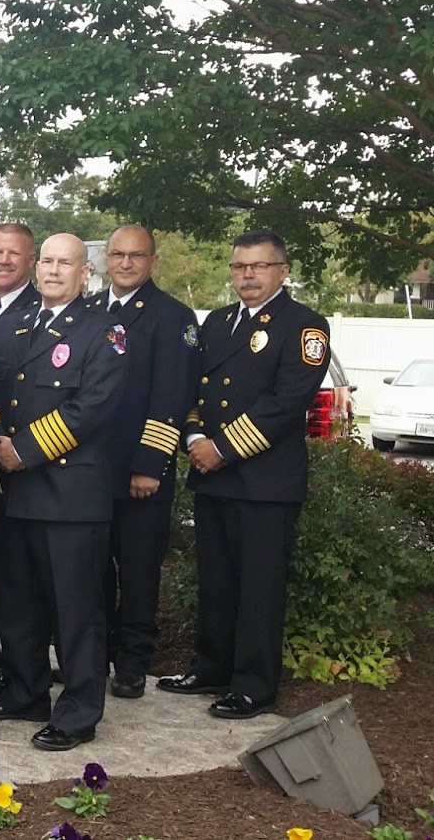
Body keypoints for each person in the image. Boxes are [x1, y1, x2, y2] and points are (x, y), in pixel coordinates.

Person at [158, 230, 330, 719]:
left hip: (265, 484)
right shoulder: (216, 322)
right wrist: (193, 440)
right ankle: (210, 667)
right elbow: (195, 388)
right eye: (239, 267)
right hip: (213, 474)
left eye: (258, 266)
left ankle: (254, 685)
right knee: (215, 579)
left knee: (259, 587)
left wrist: (223, 449)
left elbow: (285, 404)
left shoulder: (304, 326)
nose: (247, 275)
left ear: (283, 270)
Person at [0, 232, 127, 752]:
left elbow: (94, 406)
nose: (54, 271)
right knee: (18, 603)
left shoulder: (104, 332)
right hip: (16, 490)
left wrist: (26, 448)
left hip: (69, 493)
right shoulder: (13, 323)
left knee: (75, 610)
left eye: (67, 263)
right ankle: (24, 690)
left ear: (86, 273)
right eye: (48, 262)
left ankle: (80, 710)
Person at [82, 225, 199, 698]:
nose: (126, 263)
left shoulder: (174, 317)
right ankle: (97, 652)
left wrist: (150, 463)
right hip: (88, 471)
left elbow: (174, 395)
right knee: (92, 570)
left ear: (153, 261)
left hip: (140, 473)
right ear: (105, 259)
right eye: (118, 255)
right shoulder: (89, 312)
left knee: (137, 570)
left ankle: (132, 661)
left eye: (136, 256)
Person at [0, 221, 43, 685]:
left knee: (16, 571)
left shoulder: (41, 313)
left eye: (14, 254)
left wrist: (6, 441)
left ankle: (13, 660)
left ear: (31, 262)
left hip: (19, 461)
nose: (3, 260)